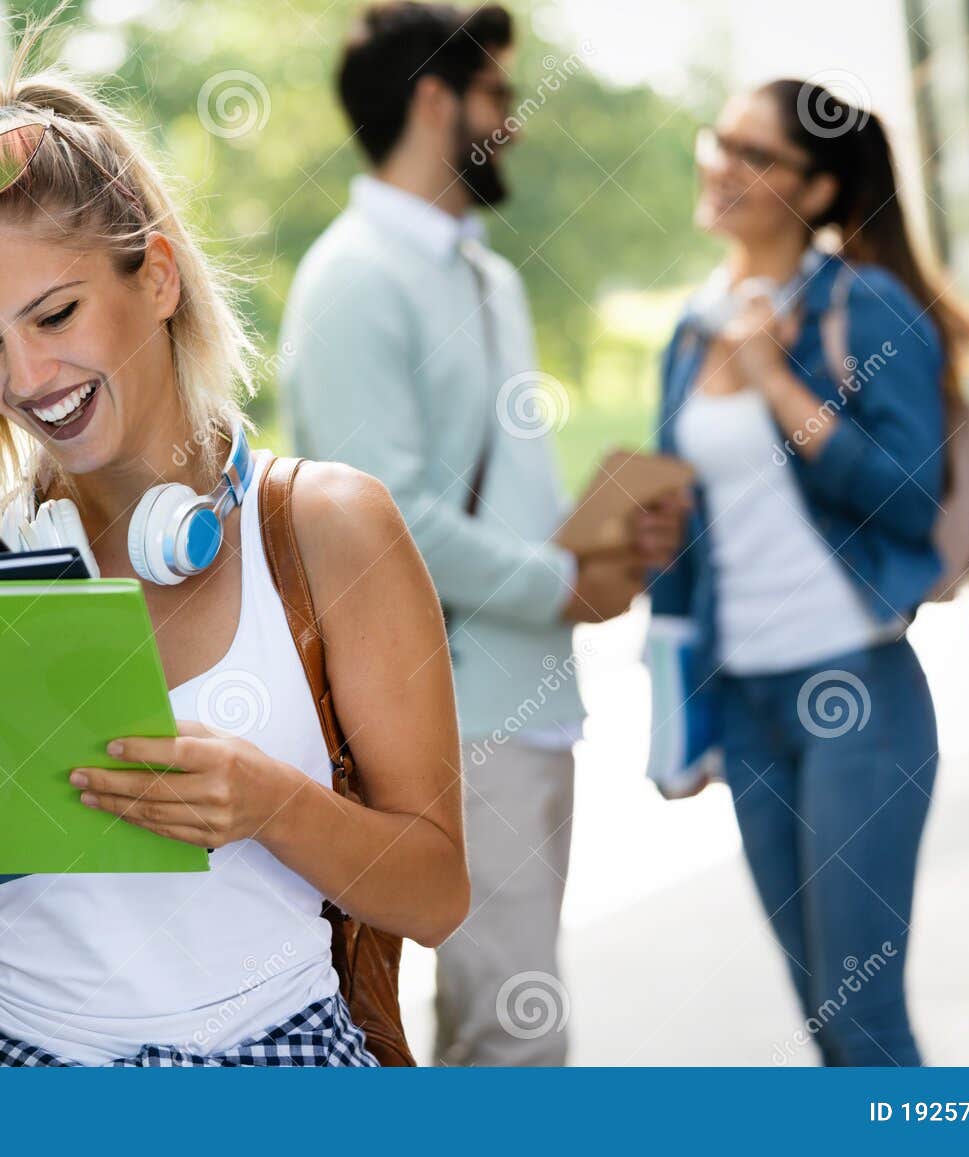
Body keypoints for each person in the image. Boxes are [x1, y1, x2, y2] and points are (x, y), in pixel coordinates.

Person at [0, 17, 468, 1068]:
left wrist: (273, 804)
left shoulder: (328, 528)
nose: (26, 378)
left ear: (156, 277)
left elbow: (436, 894)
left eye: (56, 314)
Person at [280, 2, 667, 1066]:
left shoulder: (482, 272)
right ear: (436, 100)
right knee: (514, 1030)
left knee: (497, 1018)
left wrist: (604, 543)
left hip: (525, 706)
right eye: (499, 95)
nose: (517, 120)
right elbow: (383, 514)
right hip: (450, 715)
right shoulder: (354, 277)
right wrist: (556, 582)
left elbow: (482, 491)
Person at [647, 79, 969, 1066]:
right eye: (723, 141)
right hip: (745, 698)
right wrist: (678, 709)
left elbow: (904, 497)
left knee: (862, 1014)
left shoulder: (861, 306)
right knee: (820, 1019)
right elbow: (687, 536)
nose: (724, 165)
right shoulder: (688, 327)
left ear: (820, 187)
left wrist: (775, 381)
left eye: (758, 155)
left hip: (856, 689)